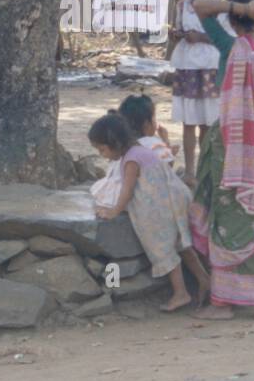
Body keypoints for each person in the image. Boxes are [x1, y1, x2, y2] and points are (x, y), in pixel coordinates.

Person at [187, 0, 254, 321]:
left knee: (228, 216)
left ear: (231, 20)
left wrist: (235, 7)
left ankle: (225, 303)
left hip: (231, 143)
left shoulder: (227, 46)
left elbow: (198, 7)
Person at [87, 113, 210, 311]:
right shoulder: (139, 150)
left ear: (115, 143)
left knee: (163, 249)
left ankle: (181, 293)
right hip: (174, 199)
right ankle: (204, 280)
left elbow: (127, 191)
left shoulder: (131, 160)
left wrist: (114, 211)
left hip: (158, 209)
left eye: (102, 149)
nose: (103, 155)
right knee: (182, 245)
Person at [169, 0, 227, 185]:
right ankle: (190, 171)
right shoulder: (183, 6)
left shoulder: (221, 9)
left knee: (206, 123)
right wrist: (177, 35)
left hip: (209, 68)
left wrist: (201, 37)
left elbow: (227, 40)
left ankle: (205, 169)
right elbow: (180, 29)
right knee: (188, 122)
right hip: (187, 67)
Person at [117, 94, 176, 166]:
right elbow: (169, 165)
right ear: (146, 123)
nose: (155, 121)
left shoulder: (122, 144)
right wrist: (166, 141)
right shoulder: (153, 143)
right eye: (154, 118)